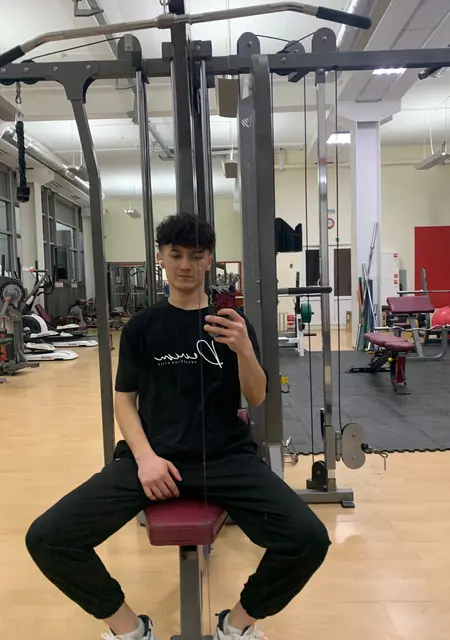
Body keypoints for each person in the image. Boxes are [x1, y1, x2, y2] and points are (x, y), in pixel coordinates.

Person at [25, 212, 330, 640]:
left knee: (309, 539)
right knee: (47, 538)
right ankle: (129, 630)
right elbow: (124, 400)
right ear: (161, 258)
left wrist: (245, 350)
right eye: (176, 254)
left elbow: (258, 396)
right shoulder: (142, 327)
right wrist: (146, 458)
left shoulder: (233, 324)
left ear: (209, 260)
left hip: (225, 458)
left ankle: (235, 625)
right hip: (152, 460)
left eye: (196, 255)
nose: (186, 264)